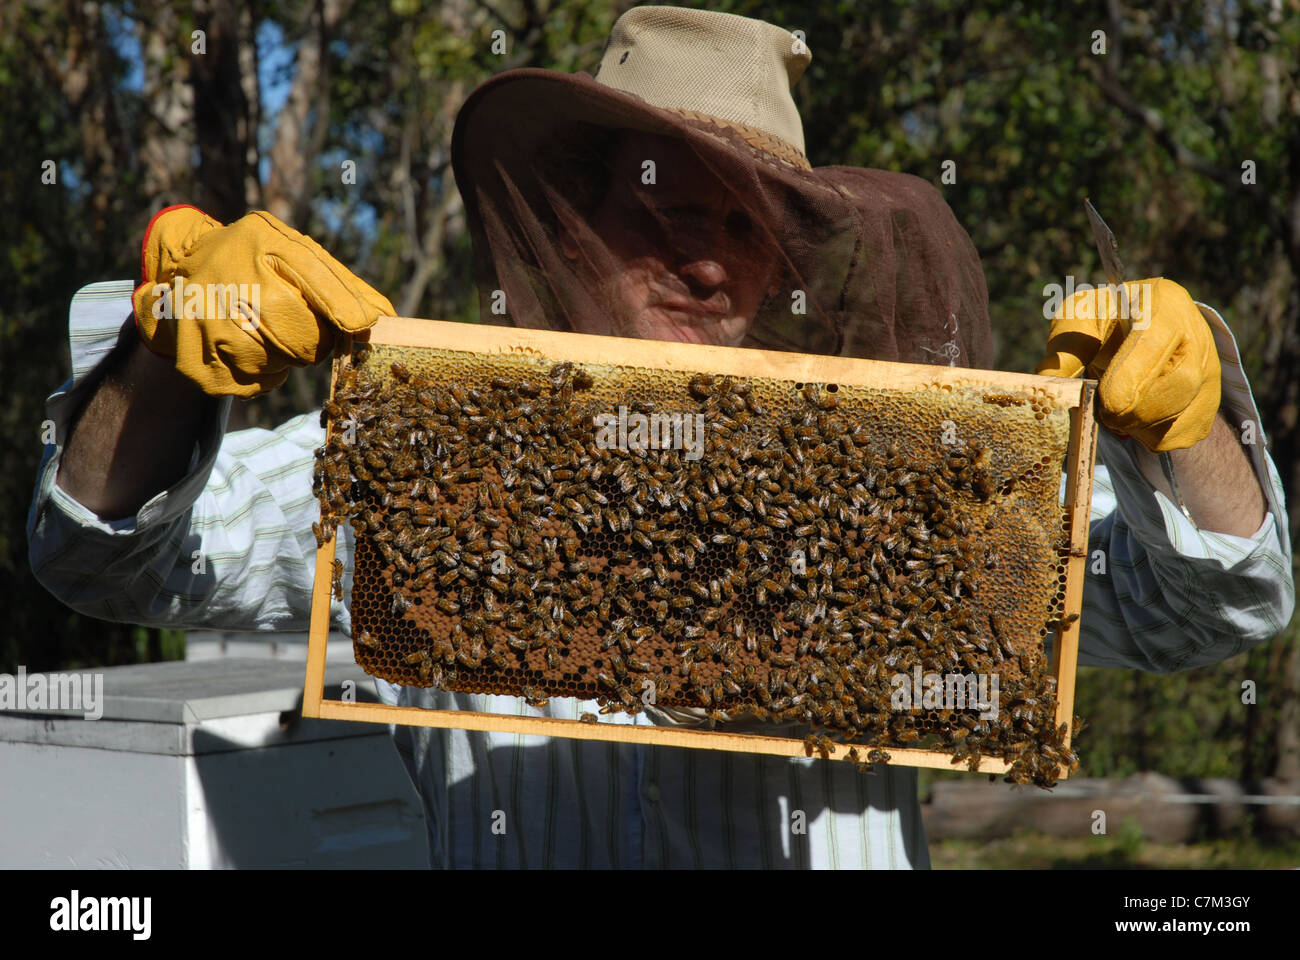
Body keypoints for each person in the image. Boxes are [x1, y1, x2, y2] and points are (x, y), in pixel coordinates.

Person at [28, 6, 1292, 868]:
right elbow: (104, 558)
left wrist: (1182, 435)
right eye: (654, 213)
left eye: (738, 226)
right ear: (571, 226)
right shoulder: (420, 450)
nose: (697, 255)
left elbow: (1211, 610)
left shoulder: (902, 482)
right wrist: (162, 358)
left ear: (786, 265)